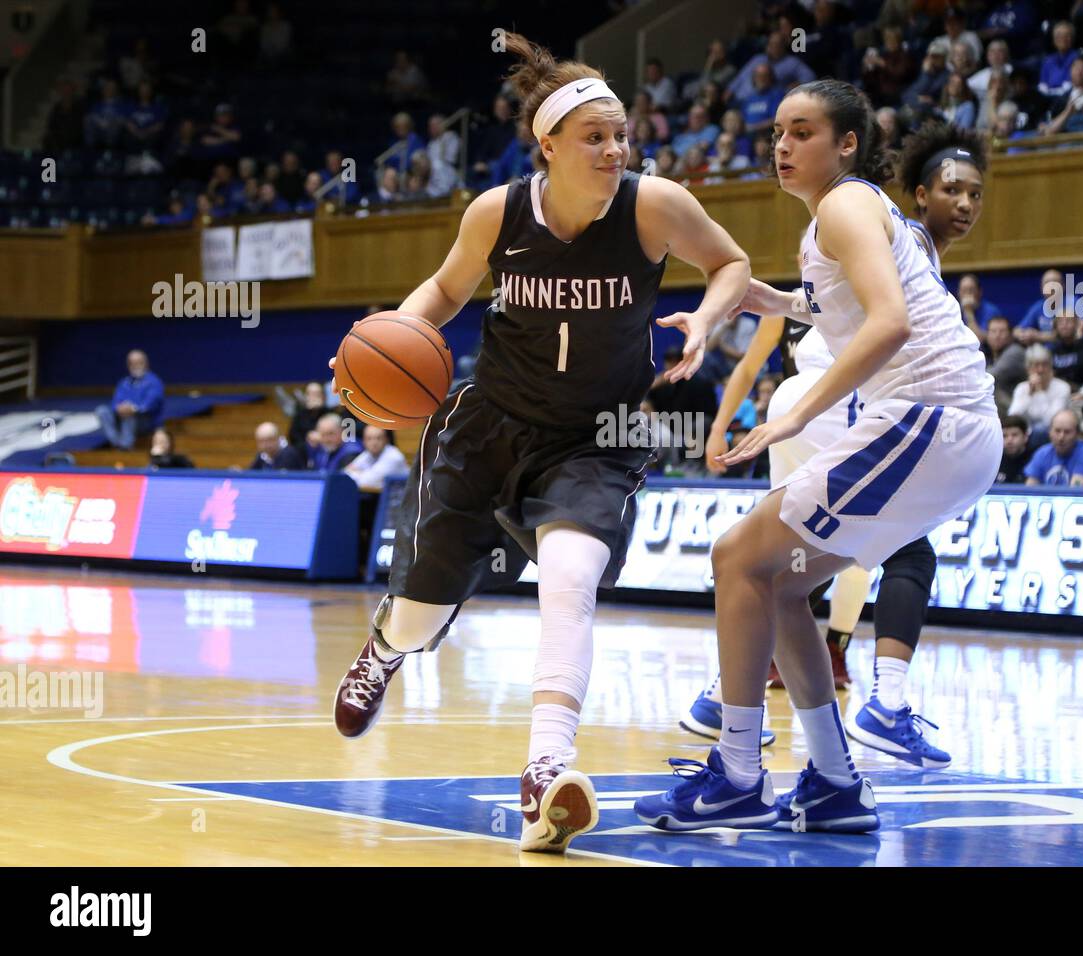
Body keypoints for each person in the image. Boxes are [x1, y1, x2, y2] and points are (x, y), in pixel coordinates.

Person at [329, 32, 749, 855]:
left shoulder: (654, 204)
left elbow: (730, 263)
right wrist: (388, 338)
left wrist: (705, 316)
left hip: (597, 436)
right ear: (547, 144)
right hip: (488, 426)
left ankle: (545, 771)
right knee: (419, 618)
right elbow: (448, 289)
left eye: (621, 134)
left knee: (569, 575)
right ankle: (385, 649)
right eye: (595, 136)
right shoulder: (498, 212)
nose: (614, 148)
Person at [636, 80, 1001, 834]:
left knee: (737, 556)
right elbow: (841, 302)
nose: (781, 146)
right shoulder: (841, 218)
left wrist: (795, 413)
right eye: (776, 132)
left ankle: (739, 773)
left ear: (846, 145)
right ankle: (834, 782)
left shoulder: (843, 205)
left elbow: (890, 323)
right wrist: (769, 301)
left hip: (934, 417)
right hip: (948, 430)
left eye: (801, 132)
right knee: (776, 584)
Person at [96, 350, 165, 451]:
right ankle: (117, 443)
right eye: (132, 363)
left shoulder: (153, 381)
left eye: (138, 362)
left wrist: (133, 408)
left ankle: (125, 448)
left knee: (129, 416)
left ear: (146, 363)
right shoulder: (124, 382)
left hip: (145, 421)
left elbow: (151, 403)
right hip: (123, 417)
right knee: (102, 410)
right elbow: (116, 402)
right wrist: (119, 408)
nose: (135, 365)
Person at [1009, 344, 1071, 448]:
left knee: (1039, 430)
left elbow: (1050, 421)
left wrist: (1040, 392)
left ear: (1051, 367)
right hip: (1027, 433)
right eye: (1036, 365)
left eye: (1044, 365)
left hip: (1053, 433)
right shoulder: (1022, 388)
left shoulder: (1062, 388)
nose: (1040, 370)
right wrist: (1029, 394)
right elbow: (1013, 417)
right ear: (1028, 369)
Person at [1024, 409, 1083, 487]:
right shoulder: (1042, 453)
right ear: (1050, 432)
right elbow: (1030, 489)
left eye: (1067, 432)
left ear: (1077, 434)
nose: (1061, 437)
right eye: (1057, 431)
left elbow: (1076, 491)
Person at [344, 425, 408, 492]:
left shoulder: (394, 457)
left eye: (378, 438)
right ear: (364, 441)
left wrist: (358, 472)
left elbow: (368, 481)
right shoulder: (368, 454)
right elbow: (345, 474)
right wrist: (363, 474)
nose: (374, 443)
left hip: (399, 499)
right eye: (369, 439)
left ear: (386, 440)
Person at [998, 414, 1032, 483]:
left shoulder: (1036, 458)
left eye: (1014, 435)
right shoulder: (995, 460)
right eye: (1004, 436)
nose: (1009, 440)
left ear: (1025, 437)